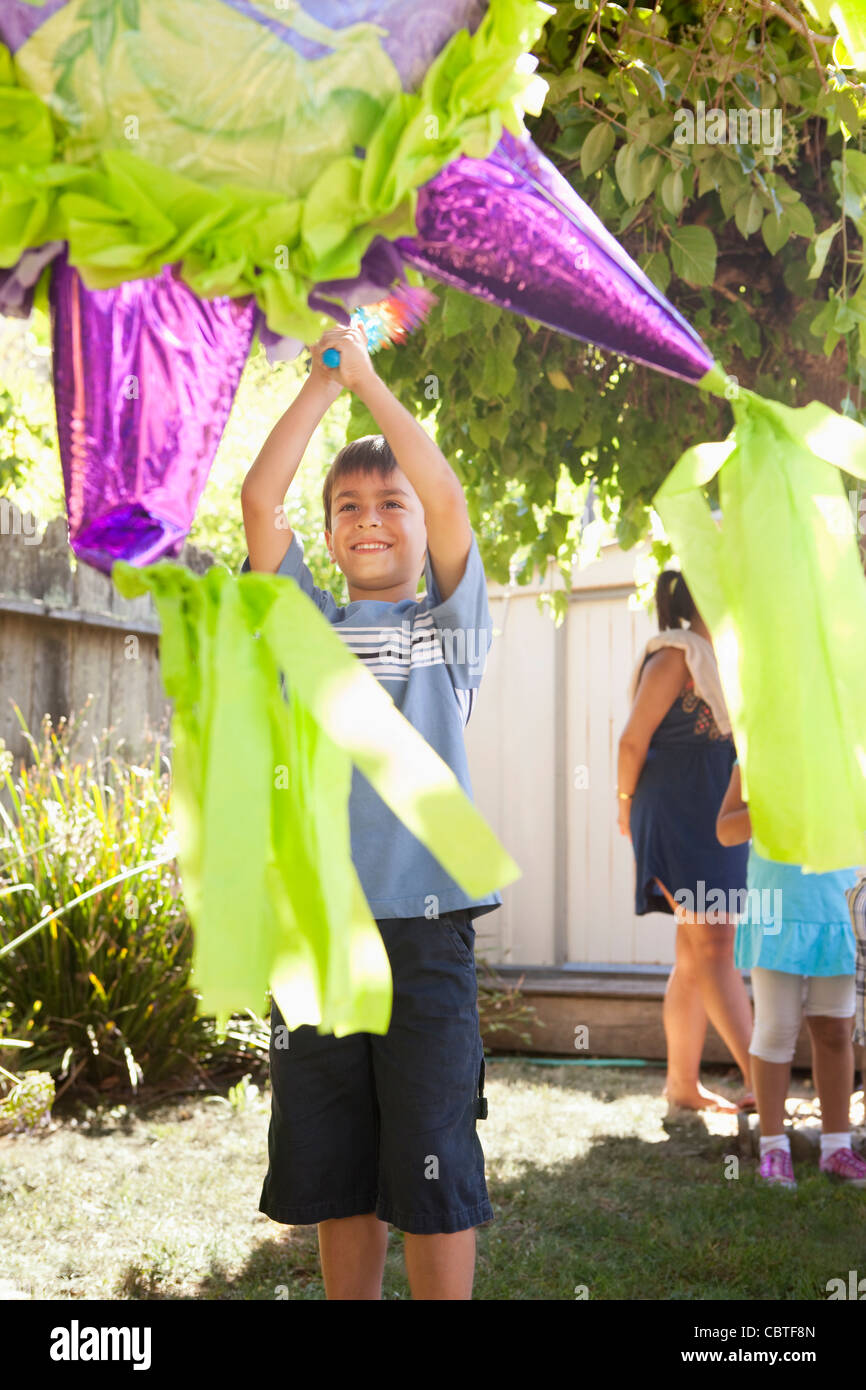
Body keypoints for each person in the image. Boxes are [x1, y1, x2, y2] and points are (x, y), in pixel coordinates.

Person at [240, 321, 499, 1300]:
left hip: (427, 939)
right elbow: (259, 499)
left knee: (431, 1154)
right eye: (347, 505)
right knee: (335, 1159)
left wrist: (371, 382)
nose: (370, 517)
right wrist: (320, 381)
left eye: (387, 502)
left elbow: (445, 493)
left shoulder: (447, 628)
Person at [617, 570, 753, 1114]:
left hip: (713, 813)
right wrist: (623, 804)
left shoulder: (725, 656)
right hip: (676, 813)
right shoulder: (676, 654)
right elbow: (632, 740)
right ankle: (762, 1081)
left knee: (697, 952)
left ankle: (681, 1085)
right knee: (716, 945)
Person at [717, 762, 865, 1188]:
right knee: (776, 1028)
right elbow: (726, 830)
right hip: (776, 912)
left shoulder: (850, 753)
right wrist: (775, 806)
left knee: (836, 1029)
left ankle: (837, 1148)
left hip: (836, 909)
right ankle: (773, 1148)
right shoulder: (756, 755)